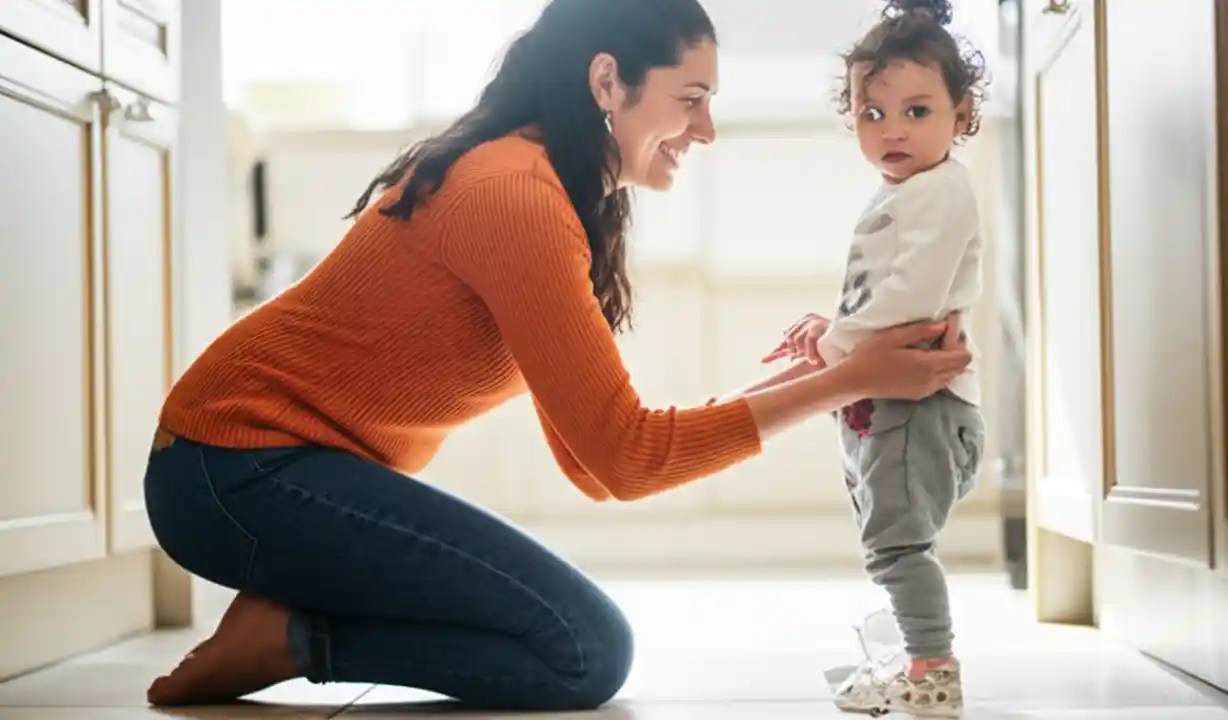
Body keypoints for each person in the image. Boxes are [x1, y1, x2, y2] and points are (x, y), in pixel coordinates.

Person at [142, 0, 972, 711]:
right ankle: (293, 638)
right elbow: (625, 459)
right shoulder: (514, 195)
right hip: (230, 472)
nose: (707, 130)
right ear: (608, 82)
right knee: (583, 650)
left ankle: (288, 628)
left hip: (265, 472)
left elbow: (590, 459)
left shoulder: (556, 194)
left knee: (578, 645)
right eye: (691, 99)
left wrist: (836, 370)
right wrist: (845, 380)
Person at [765, 0, 988, 716]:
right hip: (888, 397)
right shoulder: (913, 190)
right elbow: (889, 293)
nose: (891, 129)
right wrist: (837, 329)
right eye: (871, 113)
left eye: (917, 111)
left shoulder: (943, 191)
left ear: (962, 112)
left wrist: (835, 350)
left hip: (914, 404)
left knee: (895, 544)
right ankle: (918, 652)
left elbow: (913, 293)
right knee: (888, 536)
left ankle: (932, 667)